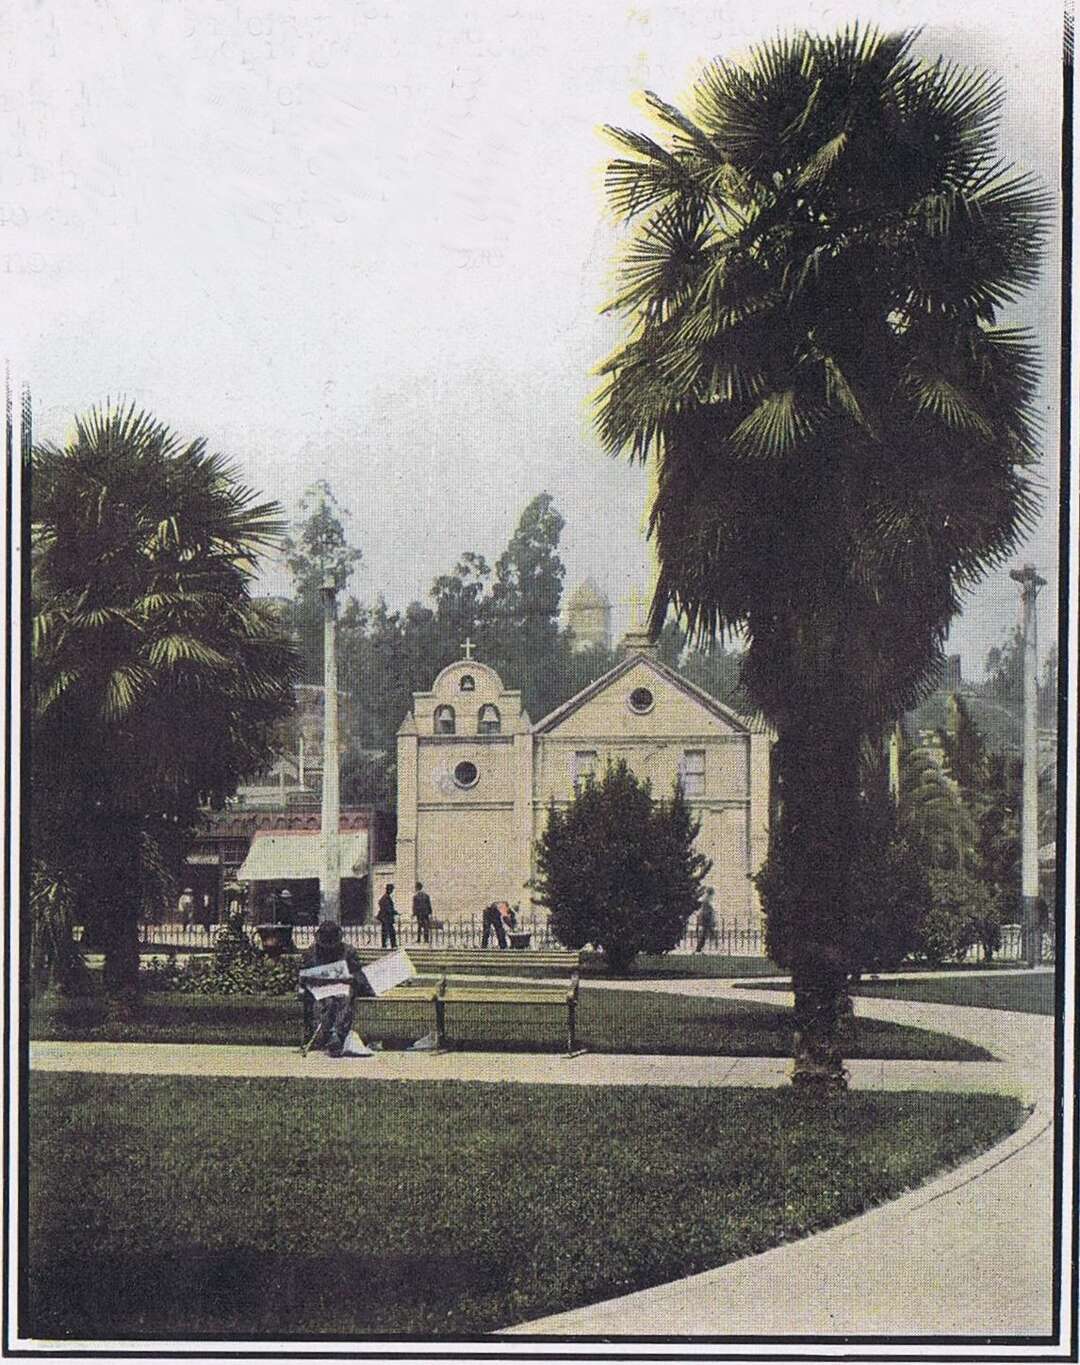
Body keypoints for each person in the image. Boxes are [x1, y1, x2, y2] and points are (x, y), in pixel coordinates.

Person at [299, 920, 372, 1057]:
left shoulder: (348, 951)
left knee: (344, 999)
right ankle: (321, 1035)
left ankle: (336, 1036)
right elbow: (303, 976)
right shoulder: (310, 953)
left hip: (343, 989)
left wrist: (351, 979)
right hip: (319, 991)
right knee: (324, 1003)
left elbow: (359, 975)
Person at [376, 883, 398, 948]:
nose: (392, 891)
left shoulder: (385, 897)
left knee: (385, 931)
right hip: (386, 918)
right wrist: (394, 912)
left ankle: (385, 945)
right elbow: (388, 909)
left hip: (385, 918)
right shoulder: (386, 898)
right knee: (390, 931)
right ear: (389, 890)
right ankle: (392, 945)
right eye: (392, 890)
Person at [695, 888, 716, 954]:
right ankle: (717, 946)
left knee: (706, 934)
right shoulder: (707, 899)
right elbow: (709, 909)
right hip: (706, 919)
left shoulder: (706, 898)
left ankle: (699, 948)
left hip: (706, 918)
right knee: (707, 934)